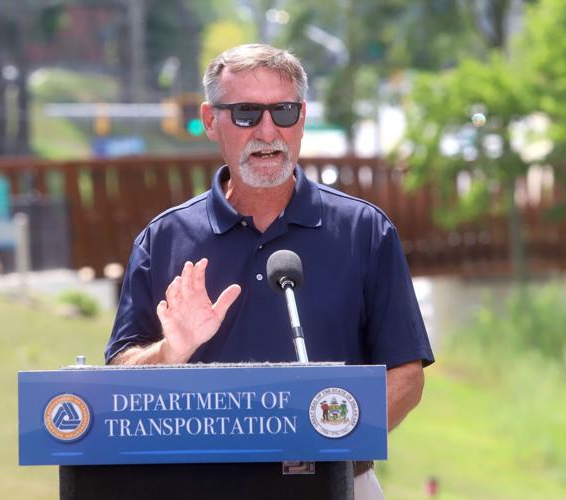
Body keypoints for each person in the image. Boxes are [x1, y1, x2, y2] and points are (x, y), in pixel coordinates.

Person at [105, 43, 434, 499]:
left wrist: (339, 442)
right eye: (246, 113)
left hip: (338, 483)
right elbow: (117, 378)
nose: (267, 131)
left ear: (302, 118)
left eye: (283, 111)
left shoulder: (365, 230)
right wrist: (169, 352)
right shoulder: (164, 239)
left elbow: (406, 374)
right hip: (198, 487)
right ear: (210, 120)